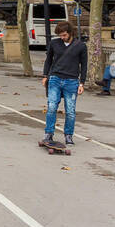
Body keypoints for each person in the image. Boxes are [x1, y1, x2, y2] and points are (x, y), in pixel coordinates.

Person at [41, 19, 86, 149]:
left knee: (70, 110)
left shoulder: (80, 46)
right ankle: (49, 133)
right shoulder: (54, 44)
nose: (62, 37)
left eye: (64, 35)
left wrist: (82, 83)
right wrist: (45, 76)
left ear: (70, 33)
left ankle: (68, 135)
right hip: (55, 78)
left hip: (71, 81)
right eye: (60, 35)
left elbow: (84, 65)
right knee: (51, 107)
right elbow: (48, 60)